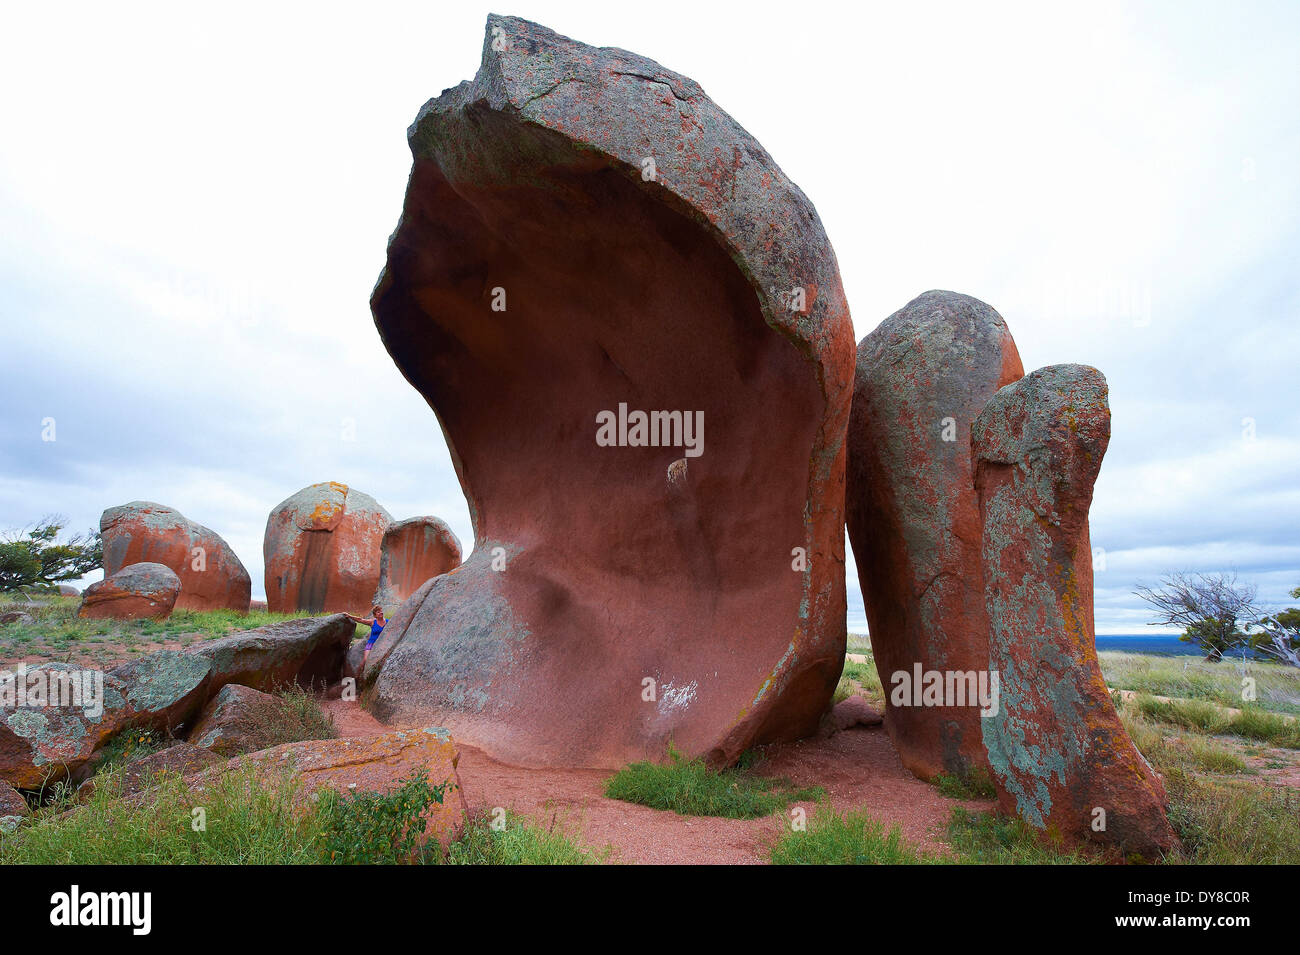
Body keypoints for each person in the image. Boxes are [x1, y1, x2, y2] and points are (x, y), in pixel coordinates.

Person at [345, 605, 387, 673]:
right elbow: (360, 620)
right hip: (371, 644)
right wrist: (349, 616)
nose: (381, 613)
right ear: (375, 615)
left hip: (381, 644)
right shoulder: (373, 622)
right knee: (365, 660)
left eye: (381, 611)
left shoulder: (388, 622)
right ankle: (357, 675)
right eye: (378, 612)